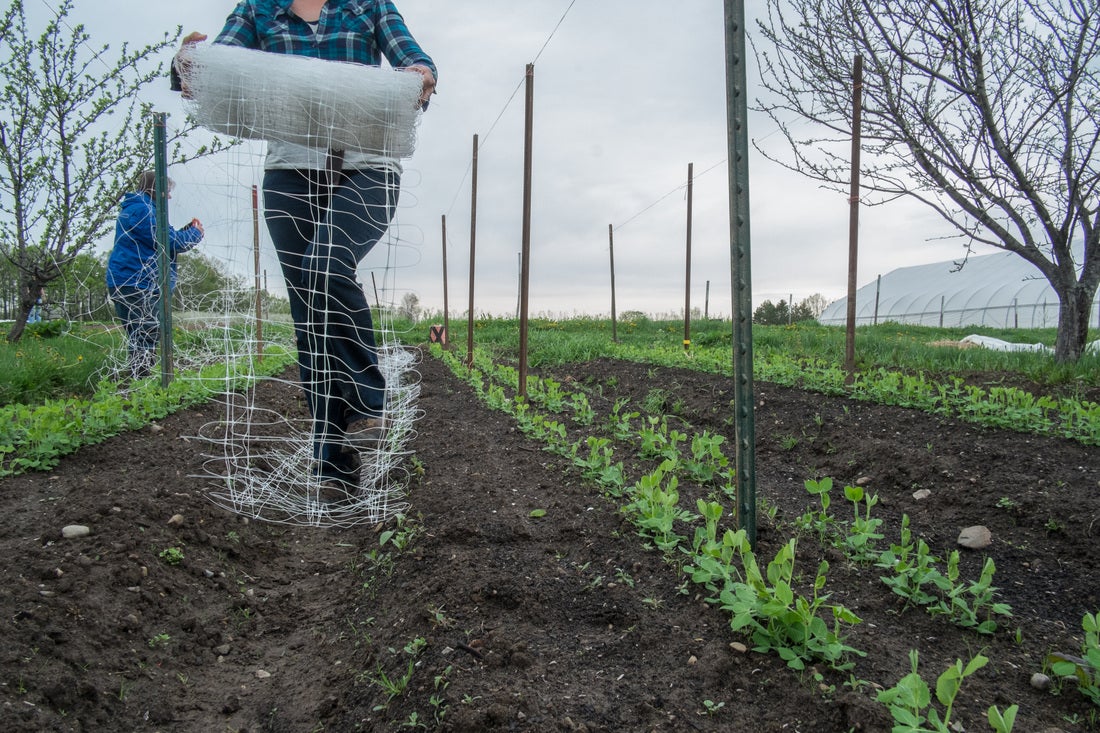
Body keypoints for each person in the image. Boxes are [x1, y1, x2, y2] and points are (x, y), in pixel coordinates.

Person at [174, 0, 437, 497]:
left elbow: (414, 58)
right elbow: (220, 64)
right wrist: (192, 67)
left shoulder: (369, 5)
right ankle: (331, 454)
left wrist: (420, 75)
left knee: (327, 265)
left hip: (368, 164)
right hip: (290, 169)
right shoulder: (258, 10)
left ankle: (367, 399)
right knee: (308, 313)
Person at [106, 171, 205, 379]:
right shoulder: (144, 210)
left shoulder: (137, 208)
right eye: (166, 192)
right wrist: (195, 233)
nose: (169, 197)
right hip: (139, 282)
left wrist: (184, 231)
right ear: (156, 190)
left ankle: (136, 377)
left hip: (125, 279)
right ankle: (140, 379)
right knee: (147, 330)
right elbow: (170, 242)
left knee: (138, 333)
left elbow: (161, 238)